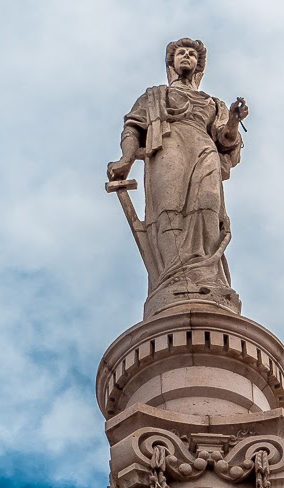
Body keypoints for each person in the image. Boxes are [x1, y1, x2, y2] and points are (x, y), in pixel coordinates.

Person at [107, 38, 249, 316]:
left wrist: (232, 120)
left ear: (199, 66)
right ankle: (173, 279)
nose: (186, 56)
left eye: (191, 54)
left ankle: (206, 277)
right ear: (171, 64)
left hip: (204, 150)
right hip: (168, 148)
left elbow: (227, 141)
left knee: (208, 207)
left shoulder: (213, 103)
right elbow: (133, 129)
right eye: (181, 53)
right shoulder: (153, 96)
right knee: (168, 211)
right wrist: (126, 159)